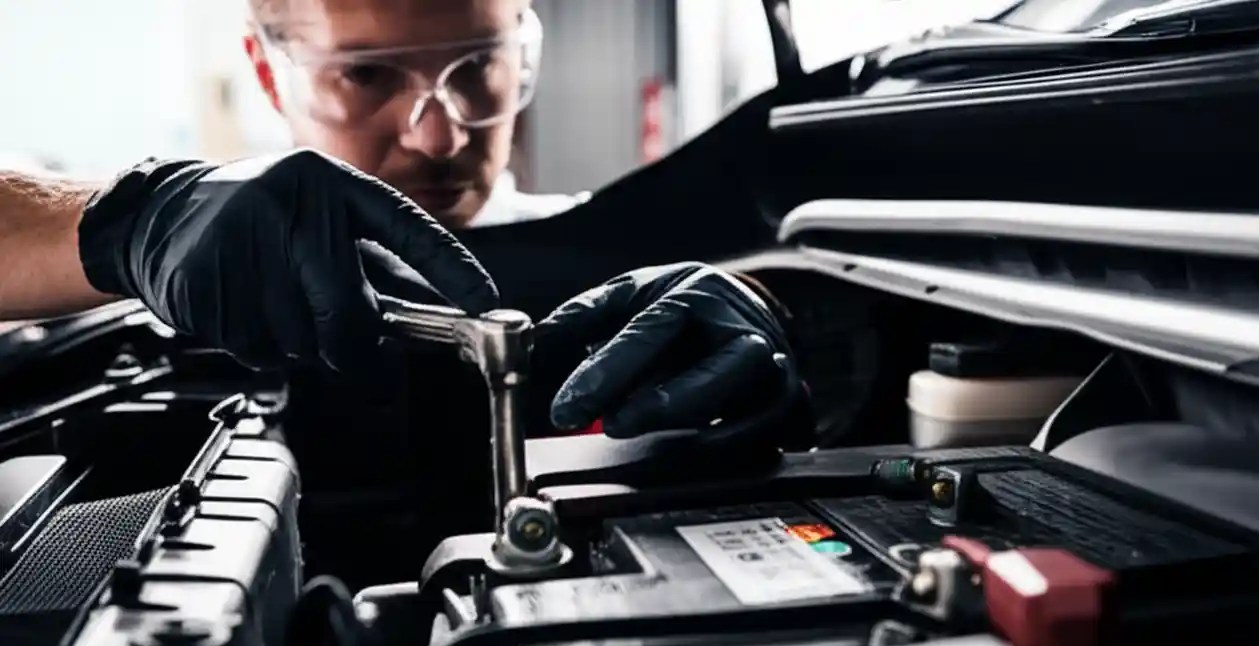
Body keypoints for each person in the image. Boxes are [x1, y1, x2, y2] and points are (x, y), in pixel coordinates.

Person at [0, 150, 802, 440]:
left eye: (475, 66)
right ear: (266, 60)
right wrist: (130, 218)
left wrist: (765, 306)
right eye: (367, 73)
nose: (436, 131)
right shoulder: (186, 261)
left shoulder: (617, 238)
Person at [242, 0, 587, 230]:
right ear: (268, 75)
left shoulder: (602, 266)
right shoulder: (226, 304)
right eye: (366, 75)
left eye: (478, 65)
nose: (439, 141)